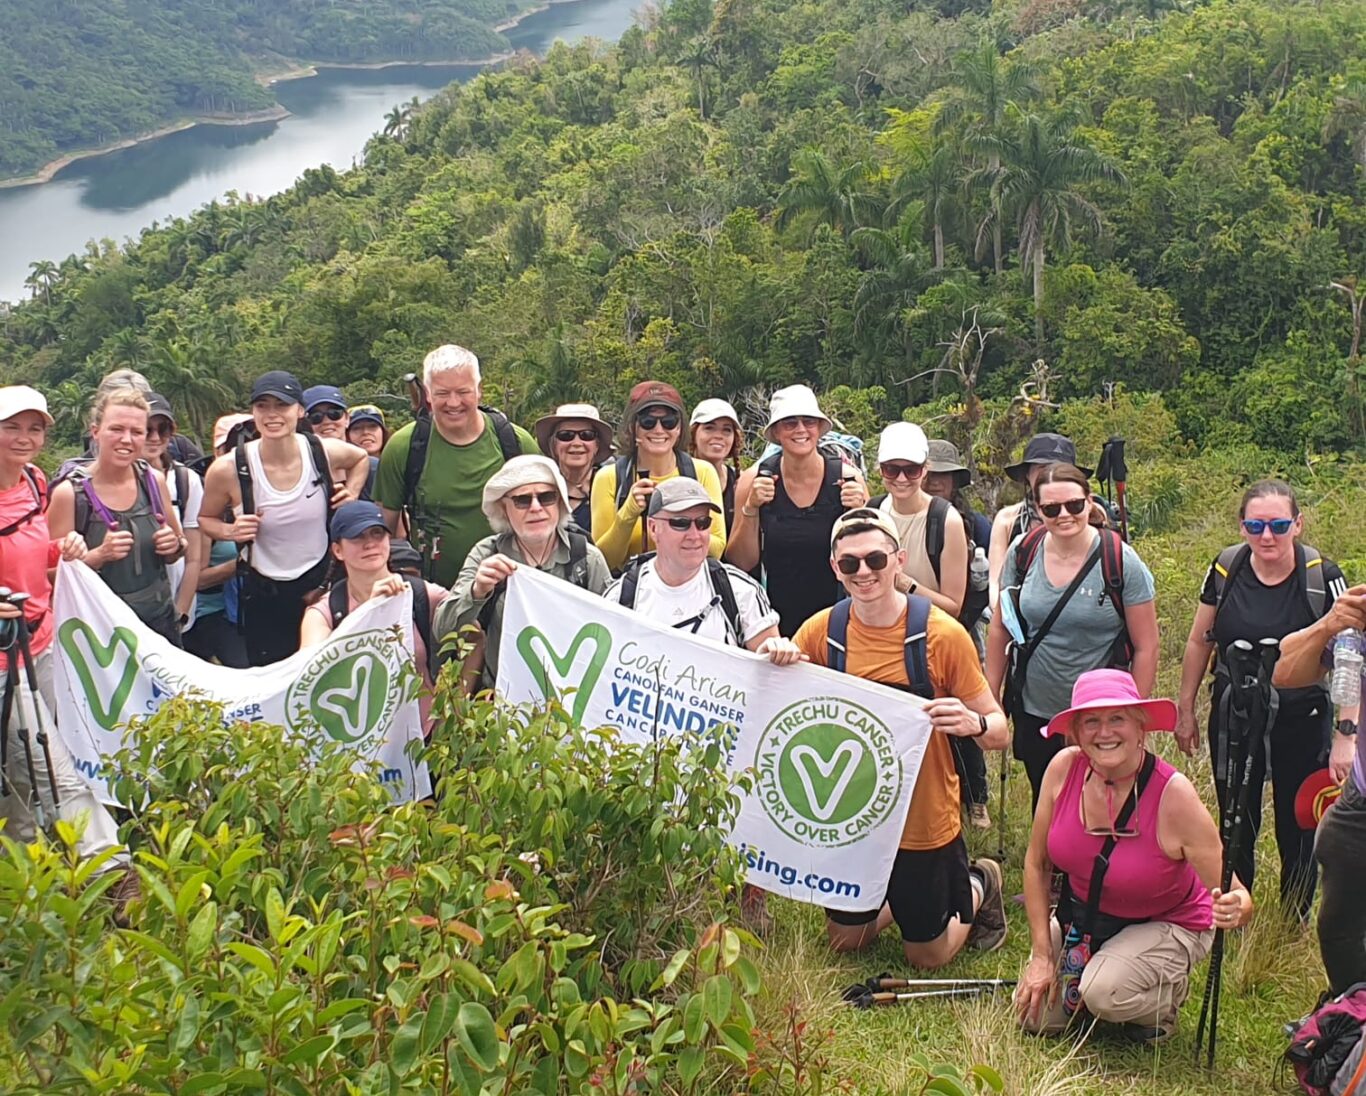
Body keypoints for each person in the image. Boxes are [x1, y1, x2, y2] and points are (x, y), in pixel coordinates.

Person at [770, 506, 1009, 969]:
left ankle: (981, 882)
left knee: (926, 956)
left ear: (899, 560)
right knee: (845, 941)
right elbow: (780, 702)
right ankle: (895, 900)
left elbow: (998, 731)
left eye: (876, 560)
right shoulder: (822, 631)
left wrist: (973, 723)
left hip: (924, 817)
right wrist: (777, 656)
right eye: (850, 563)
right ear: (834, 569)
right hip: (853, 813)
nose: (864, 572)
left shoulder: (943, 635)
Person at [1015, 670, 1253, 1043]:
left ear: (1141, 728)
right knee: (1036, 1018)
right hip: (1088, 916)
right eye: (1091, 721)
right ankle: (1102, 971)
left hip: (1168, 921)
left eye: (1117, 719)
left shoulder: (1174, 796)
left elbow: (1236, 892)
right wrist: (1042, 956)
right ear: (1075, 732)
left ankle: (1164, 999)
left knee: (1101, 993)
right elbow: (1037, 863)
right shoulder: (1062, 769)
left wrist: (1235, 907)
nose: (1104, 732)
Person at [1176, 480, 1347, 920]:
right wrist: (1186, 708)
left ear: (1298, 524)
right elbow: (1200, 641)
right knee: (1236, 815)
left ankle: (1294, 917)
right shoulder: (1226, 569)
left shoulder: (1322, 577)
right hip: (1235, 710)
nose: (1266, 536)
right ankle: (1238, 908)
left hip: (1302, 712)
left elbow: (1351, 656)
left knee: (1300, 818)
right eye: (1255, 525)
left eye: (1278, 524)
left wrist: (1348, 733)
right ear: (1242, 526)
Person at [0, 386, 129, 888]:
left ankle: (26, 884)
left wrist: (65, 549)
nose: (25, 437)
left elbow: (33, 557)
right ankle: (113, 873)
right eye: (12, 426)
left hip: (43, 645)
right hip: (6, 659)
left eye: (35, 428)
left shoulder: (34, 484)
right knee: (52, 764)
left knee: (27, 774)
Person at [986, 462, 1158, 810]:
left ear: (1089, 502)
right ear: (1037, 509)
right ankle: (1049, 865)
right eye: (1051, 508)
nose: (1064, 515)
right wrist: (990, 695)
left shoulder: (1119, 561)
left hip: (1100, 713)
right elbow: (1001, 626)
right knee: (1047, 798)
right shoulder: (1024, 552)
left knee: (1103, 800)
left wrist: (1135, 715)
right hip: (1036, 705)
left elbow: (1147, 645)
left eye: (1074, 505)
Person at [198, 371, 370, 666]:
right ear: (253, 412)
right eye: (263, 406)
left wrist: (352, 493)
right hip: (263, 592)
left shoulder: (319, 452)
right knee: (274, 680)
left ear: (300, 411)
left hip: (320, 583)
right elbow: (205, 519)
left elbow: (360, 459)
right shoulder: (230, 469)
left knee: (327, 669)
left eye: (283, 405)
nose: (272, 415)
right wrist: (231, 530)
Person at [442, 456, 611, 694]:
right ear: (504, 508)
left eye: (546, 497)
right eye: (522, 500)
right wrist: (476, 591)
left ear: (560, 504)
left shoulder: (586, 558)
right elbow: (442, 629)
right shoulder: (486, 553)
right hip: (500, 706)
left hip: (573, 702)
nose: (536, 508)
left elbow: (612, 634)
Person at [374, 345, 538, 587]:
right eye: (442, 393)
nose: (453, 403)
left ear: (479, 391)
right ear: (427, 394)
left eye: (463, 392)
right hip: (435, 593)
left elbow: (547, 513)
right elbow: (383, 528)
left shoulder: (514, 443)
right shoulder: (405, 447)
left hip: (510, 588)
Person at [1274, 582, 1366, 993]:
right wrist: (1330, 625)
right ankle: (1352, 1018)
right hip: (1359, 803)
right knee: (1339, 931)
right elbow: (1286, 672)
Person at [47, 388, 190, 645]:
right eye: (116, 429)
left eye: (136, 432)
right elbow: (47, 576)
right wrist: (98, 556)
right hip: (100, 633)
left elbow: (179, 546)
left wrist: (174, 545)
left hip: (158, 624)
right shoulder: (70, 495)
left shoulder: (154, 483)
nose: (127, 439)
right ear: (95, 432)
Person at [726, 385, 868, 636]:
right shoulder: (753, 480)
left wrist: (861, 511)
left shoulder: (848, 479)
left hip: (837, 621)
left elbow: (869, 557)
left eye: (808, 421)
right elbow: (741, 562)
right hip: (773, 622)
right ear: (777, 432)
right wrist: (751, 508)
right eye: (790, 423)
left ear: (819, 428)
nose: (801, 430)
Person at [301, 501, 448, 730]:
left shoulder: (422, 595)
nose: (369, 544)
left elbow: (474, 637)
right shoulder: (325, 611)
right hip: (359, 740)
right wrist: (367, 612)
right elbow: (310, 669)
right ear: (337, 550)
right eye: (357, 537)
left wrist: (451, 709)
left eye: (377, 534)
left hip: (426, 740)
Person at [604, 478, 784, 653]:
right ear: (653, 528)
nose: (694, 535)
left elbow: (772, 671)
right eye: (680, 523)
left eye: (703, 523)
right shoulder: (621, 596)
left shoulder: (741, 591)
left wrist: (779, 652)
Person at [922, 436, 994, 828]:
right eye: (929, 474)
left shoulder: (975, 524)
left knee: (966, 715)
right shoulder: (897, 516)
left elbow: (981, 589)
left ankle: (976, 797)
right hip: (907, 629)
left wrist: (958, 626)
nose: (935, 483)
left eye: (943, 476)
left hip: (963, 629)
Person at [591, 381, 726, 572]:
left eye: (669, 421)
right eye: (648, 421)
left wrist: (679, 522)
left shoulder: (702, 473)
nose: (659, 429)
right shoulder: (609, 477)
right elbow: (604, 560)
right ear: (632, 427)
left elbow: (717, 549)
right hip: (631, 591)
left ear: (679, 428)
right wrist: (628, 514)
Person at [870, 423, 968, 617]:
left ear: (924, 470)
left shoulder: (946, 520)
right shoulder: (873, 511)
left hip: (929, 635)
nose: (901, 478)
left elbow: (953, 607)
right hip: (877, 631)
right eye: (891, 469)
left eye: (911, 470)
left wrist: (902, 582)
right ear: (880, 470)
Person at [183, 415, 253, 668]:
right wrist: (244, 562)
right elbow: (197, 578)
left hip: (260, 607)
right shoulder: (205, 501)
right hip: (214, 611)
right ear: (217, 452)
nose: (240, 454)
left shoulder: (274, 491)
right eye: (231, 447)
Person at [988, 433, 1090, 605]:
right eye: (1042, 468)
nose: (1051, 475)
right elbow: (996, 582)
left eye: (1059, 469)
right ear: (1027, 474)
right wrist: (1005, 618)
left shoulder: (1087, 514)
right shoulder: (1008, 520)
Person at [143, 393, 203, 640]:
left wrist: (181, 611)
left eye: (163, 429)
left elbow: (193, 556)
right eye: (146, 430)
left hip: (174, 609)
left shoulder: (185, 480)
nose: (155, 438)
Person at [534, 403, 613, 533]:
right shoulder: (539, 487)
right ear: (553, 444)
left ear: (597, 445)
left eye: (586, 435)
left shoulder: (614, 485)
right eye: (566, 435)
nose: (576, 443)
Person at [688, 399, 744, 533]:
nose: (718, 436)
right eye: (709, 428)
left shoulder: (741, 481)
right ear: (693, 434)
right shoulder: (679, 476)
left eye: (726, 430)